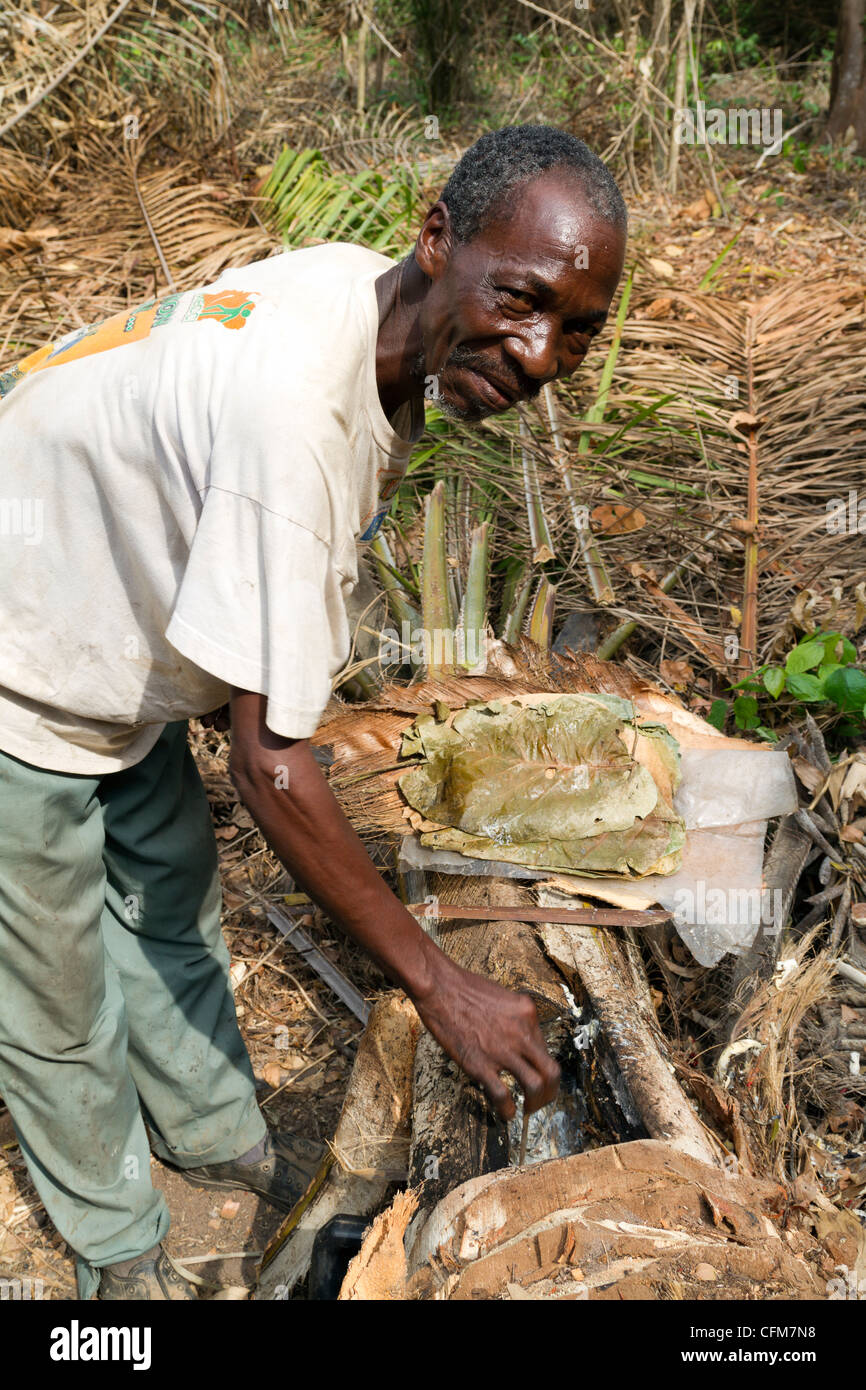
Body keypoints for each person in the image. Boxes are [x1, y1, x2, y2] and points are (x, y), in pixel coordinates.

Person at [0, 124, 627, 1298]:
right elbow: (271, 766)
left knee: (167, 888)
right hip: (22, 656)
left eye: (578, 328)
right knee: (57, 978)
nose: (542, 354)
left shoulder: (370, 306)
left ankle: (210, 1132)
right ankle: (118, 1250)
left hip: (106, 624)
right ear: (436, 237)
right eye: (524, 298)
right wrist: (441, 986)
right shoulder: (295, 412)